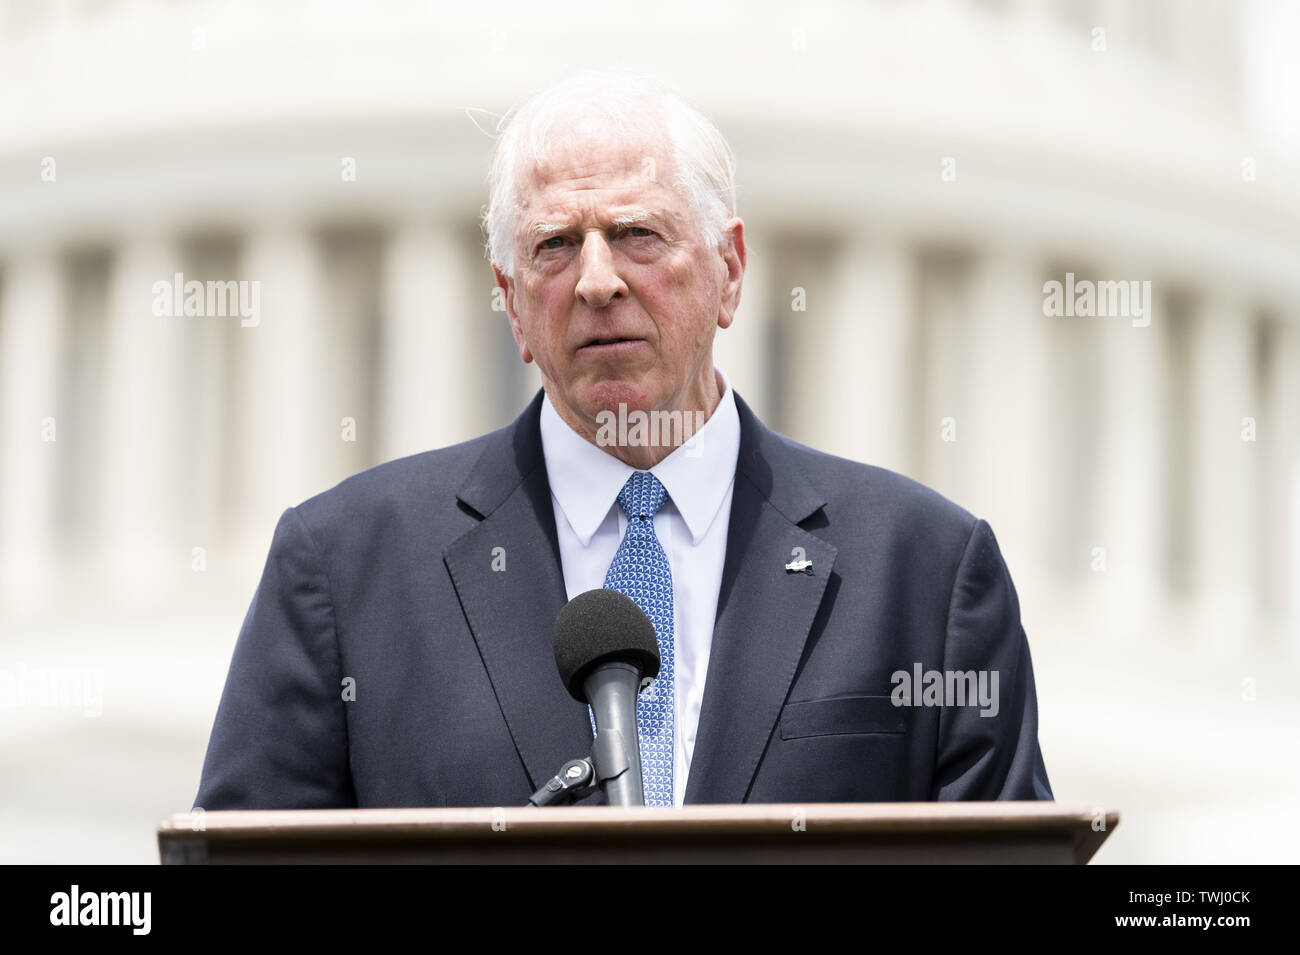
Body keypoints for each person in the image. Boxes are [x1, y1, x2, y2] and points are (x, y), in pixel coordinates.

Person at [194, 71, 1053, 811]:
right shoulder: (347, 573)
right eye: (556, 246)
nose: (598, 280)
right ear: (512, 301)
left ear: (731, 270)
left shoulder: (925, 573)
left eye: (638, 234)